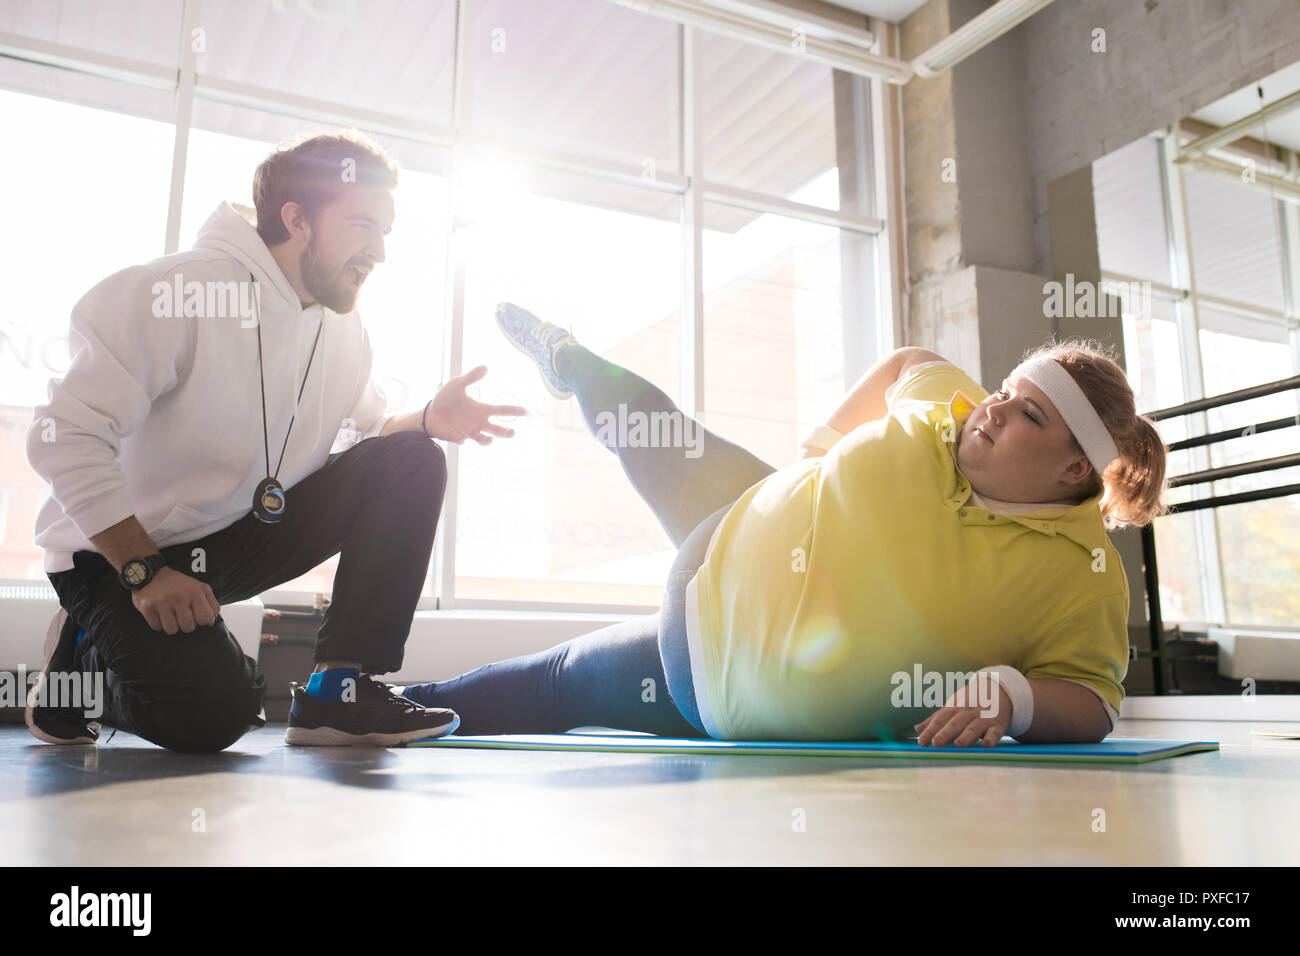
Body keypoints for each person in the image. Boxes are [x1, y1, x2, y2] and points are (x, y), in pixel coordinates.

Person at [399, 303, 1168, 747]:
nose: (993, 405)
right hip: (730, 530)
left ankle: (384, 708)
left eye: (1027, 413)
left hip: (703, 672)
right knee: (641, 421)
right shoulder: (951, 405)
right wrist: (819, 451)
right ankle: (568, 359)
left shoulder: (1080, 575)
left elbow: (1094, 700)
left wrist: (1015, 697)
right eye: (1006, 389)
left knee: (553, 684)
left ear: (1075, 471)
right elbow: (909, 360)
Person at [25, 130, 523, 752]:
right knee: (217, 714)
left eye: (386, 231)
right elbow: (63, 437)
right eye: (364, 225)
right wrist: (144, 570)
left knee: (410, 460)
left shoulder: (344, 332)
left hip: (233, 539)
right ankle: (81, 667)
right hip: (115, 554)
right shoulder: (176, 292)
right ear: (297, 220)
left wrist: (425, 418)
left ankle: (338, 691)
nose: (381, 253)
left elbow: (367, 434)